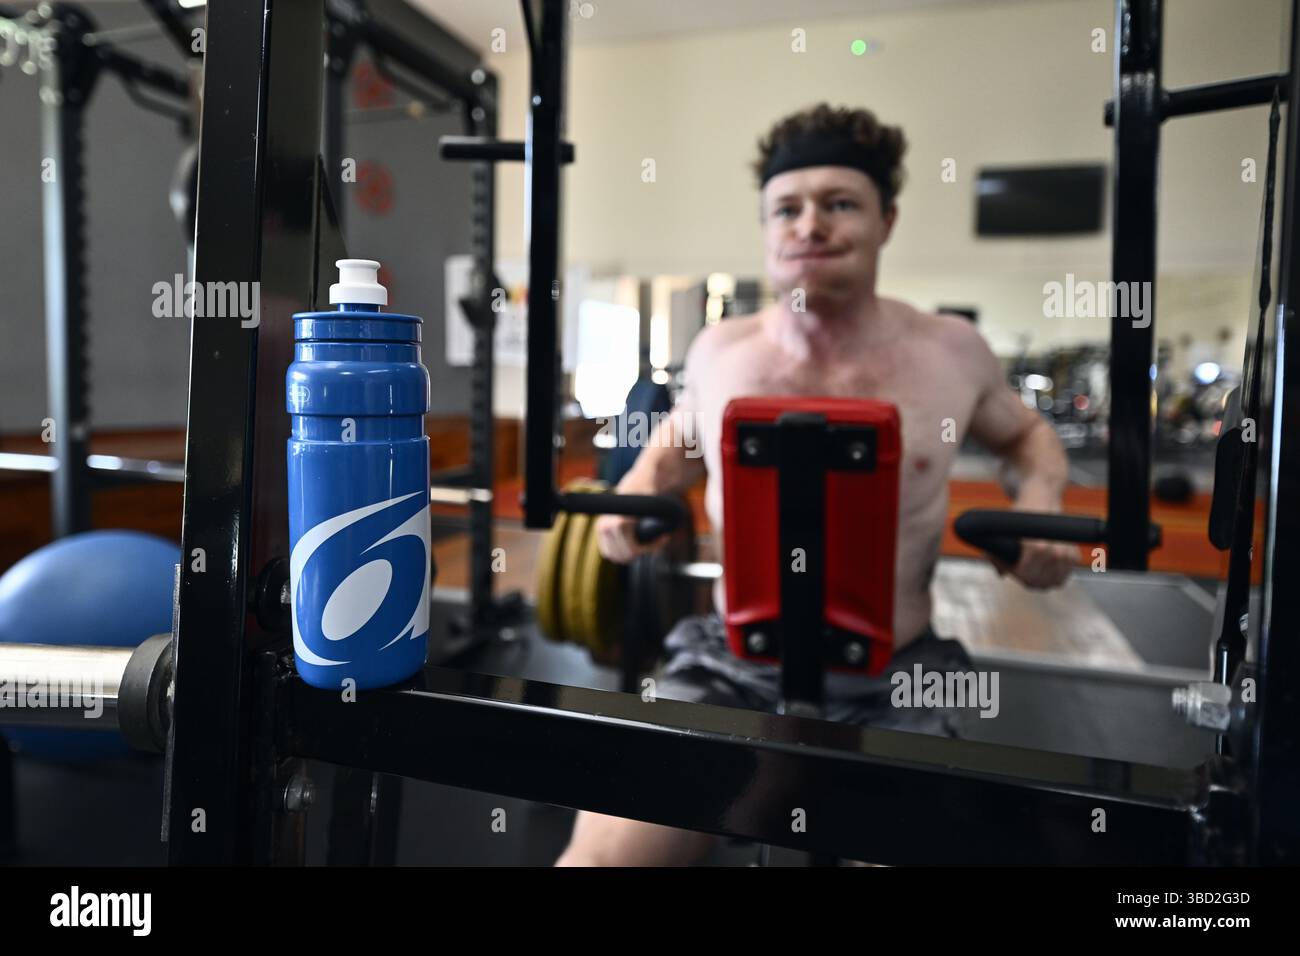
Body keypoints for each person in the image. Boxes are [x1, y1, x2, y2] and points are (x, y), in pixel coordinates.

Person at [556, 103, 1076, 866]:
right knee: (604, 859)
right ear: (766, 227)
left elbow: (1027, 437)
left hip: (898, 674)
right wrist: (633, 493)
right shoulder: (720, 350)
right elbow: (675, 450)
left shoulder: (951, 352)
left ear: (887, 219)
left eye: (840, 204)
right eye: (787, 209)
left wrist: (1039, 503)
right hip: (732, 666)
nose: (809, 226)